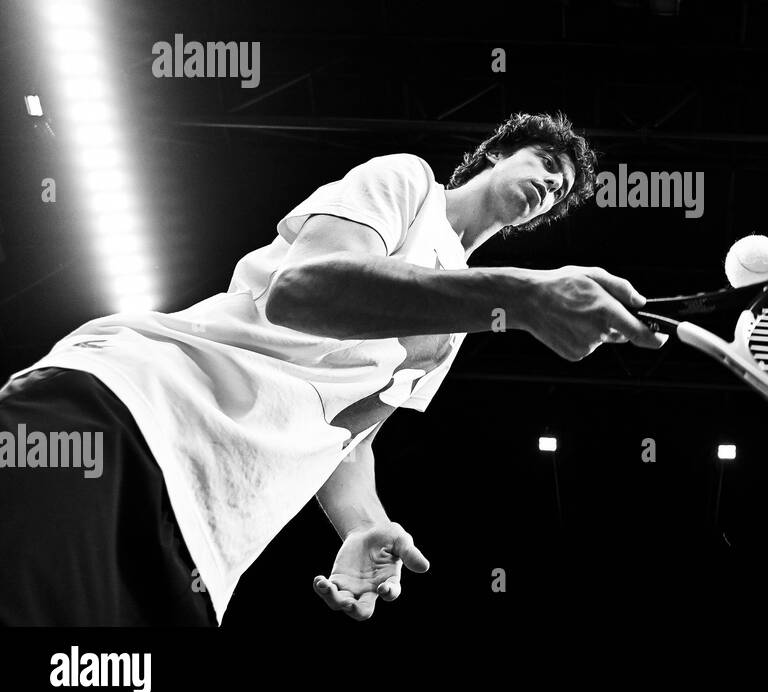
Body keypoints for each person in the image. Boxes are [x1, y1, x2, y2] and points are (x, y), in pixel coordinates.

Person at [0, 112, 666, 626]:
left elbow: (347, 439)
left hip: (209, 543)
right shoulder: (408, 185)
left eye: (561, 192)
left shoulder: (462, 318)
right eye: (546, 162)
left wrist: (365, 525)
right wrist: (521, 293)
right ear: (496, 152)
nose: (552, 185)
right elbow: (304, 291)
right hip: (134, 413)